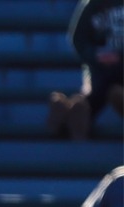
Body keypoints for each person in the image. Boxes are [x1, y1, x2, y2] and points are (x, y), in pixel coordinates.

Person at [48, 0, 122, 139]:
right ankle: (70, 112)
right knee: (96, 95)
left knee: (109, 92)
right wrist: (96, 55)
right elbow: (77, 39)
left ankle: (67, 109)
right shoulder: (92, 5)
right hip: (101, 70)